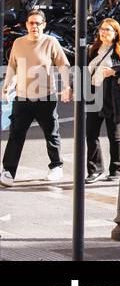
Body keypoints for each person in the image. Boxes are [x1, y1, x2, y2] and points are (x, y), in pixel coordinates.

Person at [0, 9, 71, 186]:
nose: (34, 26)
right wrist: (6, 88)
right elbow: (13, 67)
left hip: (45, 97)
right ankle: (8, 171)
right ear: (26, 25)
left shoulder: (51, 42)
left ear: (44, 25)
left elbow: (63, 64)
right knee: (16, 134)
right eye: (31, 23)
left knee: (51, 133)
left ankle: (56, 166)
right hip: (22, 97)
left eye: (38, 23)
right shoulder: (18, 43)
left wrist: (67, 87)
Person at [85, 18, 120, 183]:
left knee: (114, 136)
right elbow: (85, 70)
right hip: (94, 94)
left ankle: (116, 169)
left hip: (112, 96)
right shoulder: (93, 50)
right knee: (91, 134)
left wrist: (114, 71)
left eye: (107, 29)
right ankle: (95, 170)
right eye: (101, 29)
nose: (103, 32)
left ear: (116, 33)